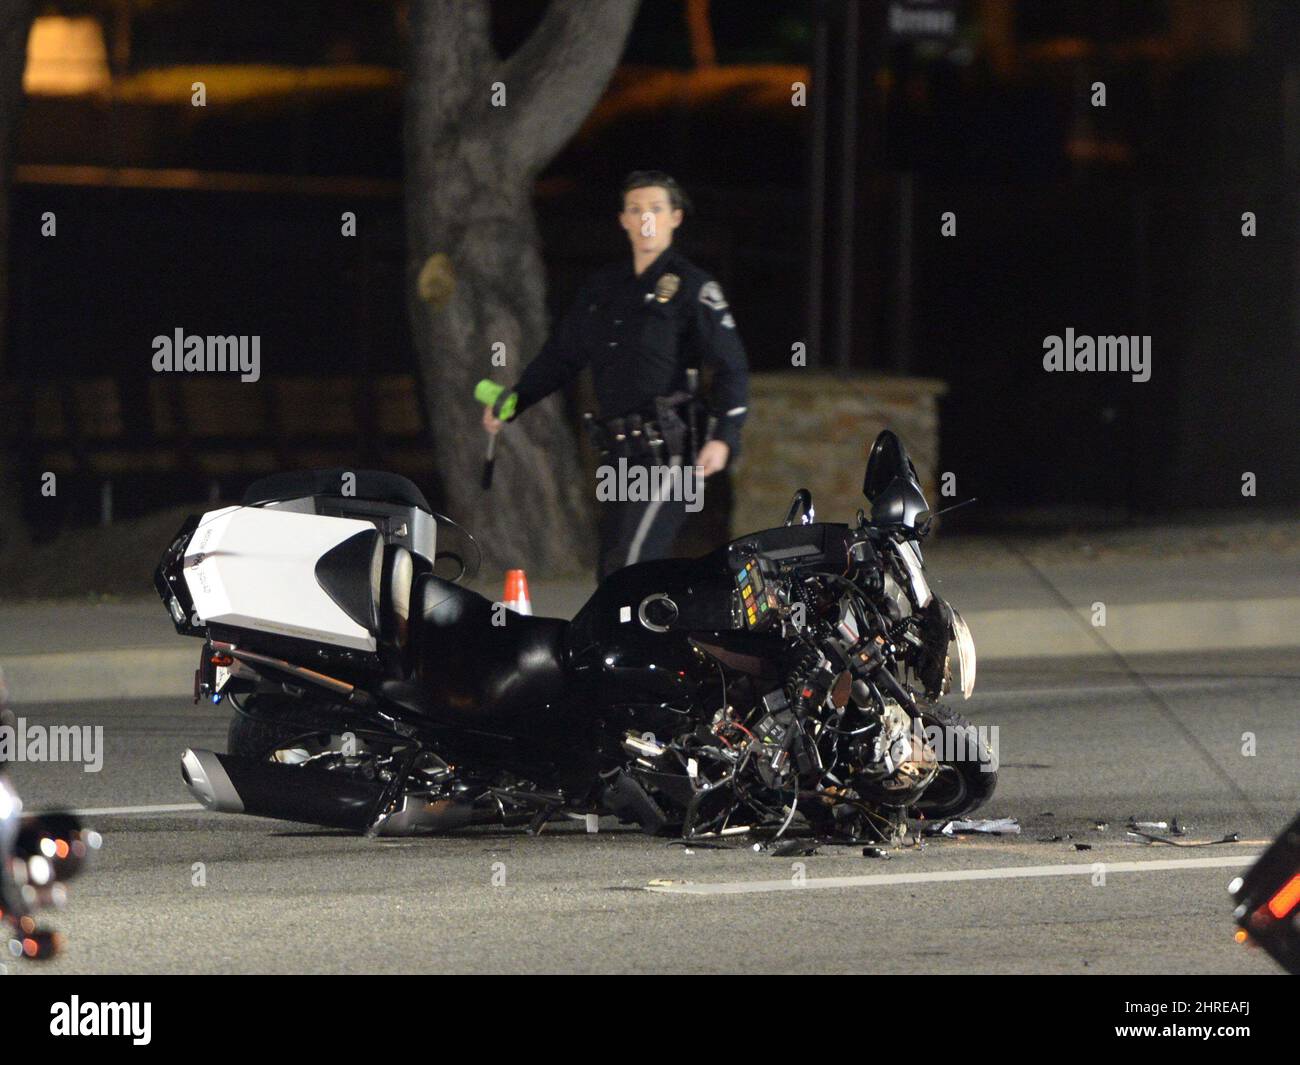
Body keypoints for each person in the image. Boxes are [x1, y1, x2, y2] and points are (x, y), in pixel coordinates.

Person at [481, 170, 750, 578]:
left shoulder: (694, 287)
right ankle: (636, 639)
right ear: (623, 219)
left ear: (675, 217)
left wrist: (724, 438)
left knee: (632, 564)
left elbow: (732, 366)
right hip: (620, 453)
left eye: (656, 210)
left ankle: (644, 637)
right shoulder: (603, 288)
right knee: (612, 568)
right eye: (636, 210)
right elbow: (562, 356)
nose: (646, 219)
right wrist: (513, 402)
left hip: (674, 453)